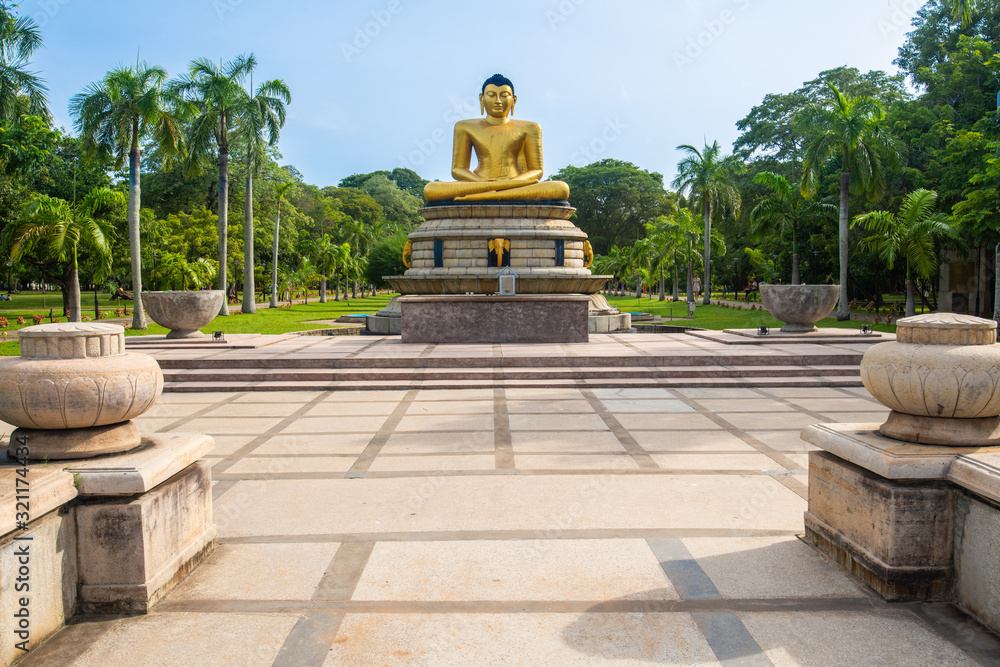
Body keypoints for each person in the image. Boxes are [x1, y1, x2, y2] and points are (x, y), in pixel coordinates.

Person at [423, 74, 571, 203]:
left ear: (514, 100)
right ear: (481, 98)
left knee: (560, 189)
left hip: (516, 184)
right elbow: (458, 169)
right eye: (492, 95)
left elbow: (536, 170)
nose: (498, 101)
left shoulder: (530, 128)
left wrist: (511, 183)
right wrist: (483, 183)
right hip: (479, 183)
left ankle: (485, 196)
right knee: (431, 190)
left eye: (504, 95)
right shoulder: (464, 127)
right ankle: (498, 193)